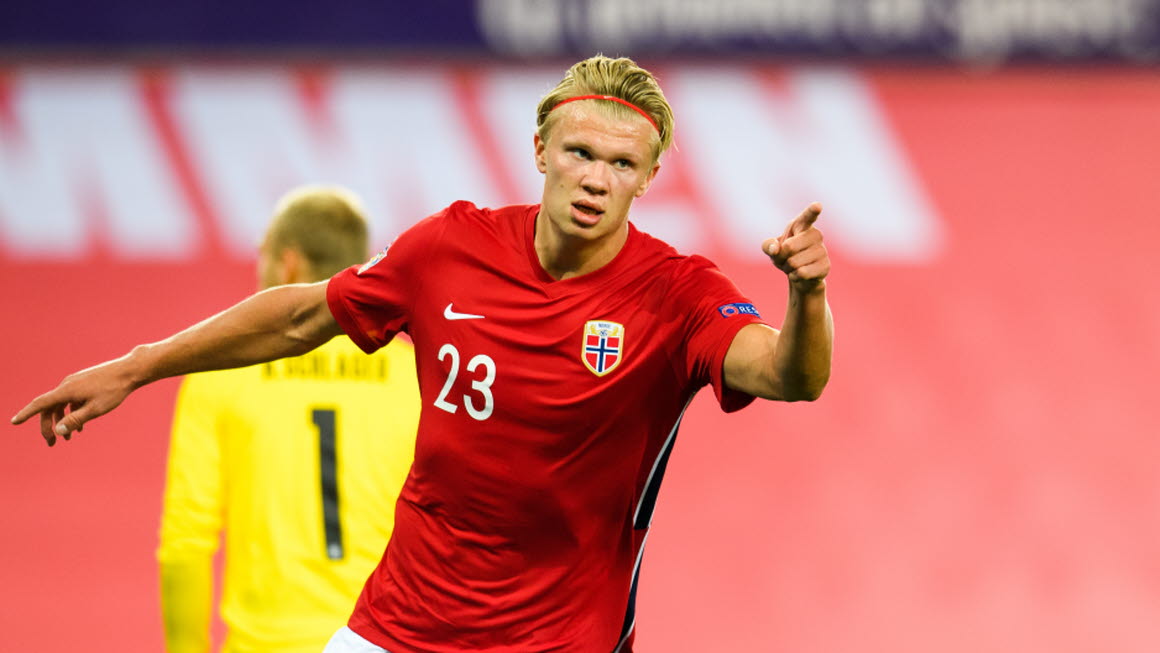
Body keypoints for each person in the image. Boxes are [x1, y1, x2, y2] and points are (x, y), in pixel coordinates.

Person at [13, 55, 833, 652]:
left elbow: (790, 374)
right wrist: (134, 364)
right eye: (581, 153)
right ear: (541, 152)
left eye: (622, 164)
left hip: (558, 639)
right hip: (397, 627)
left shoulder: (677, 292)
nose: (595, 178)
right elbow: (303, 317)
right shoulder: (449, 247)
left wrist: (806, 295)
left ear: (648, 178)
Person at [157, 186, 421, 653]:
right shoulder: (415, 376)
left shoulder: (221, 374)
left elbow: (186, 538)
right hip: (384, 639)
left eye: (263, 254)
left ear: (289, 264)